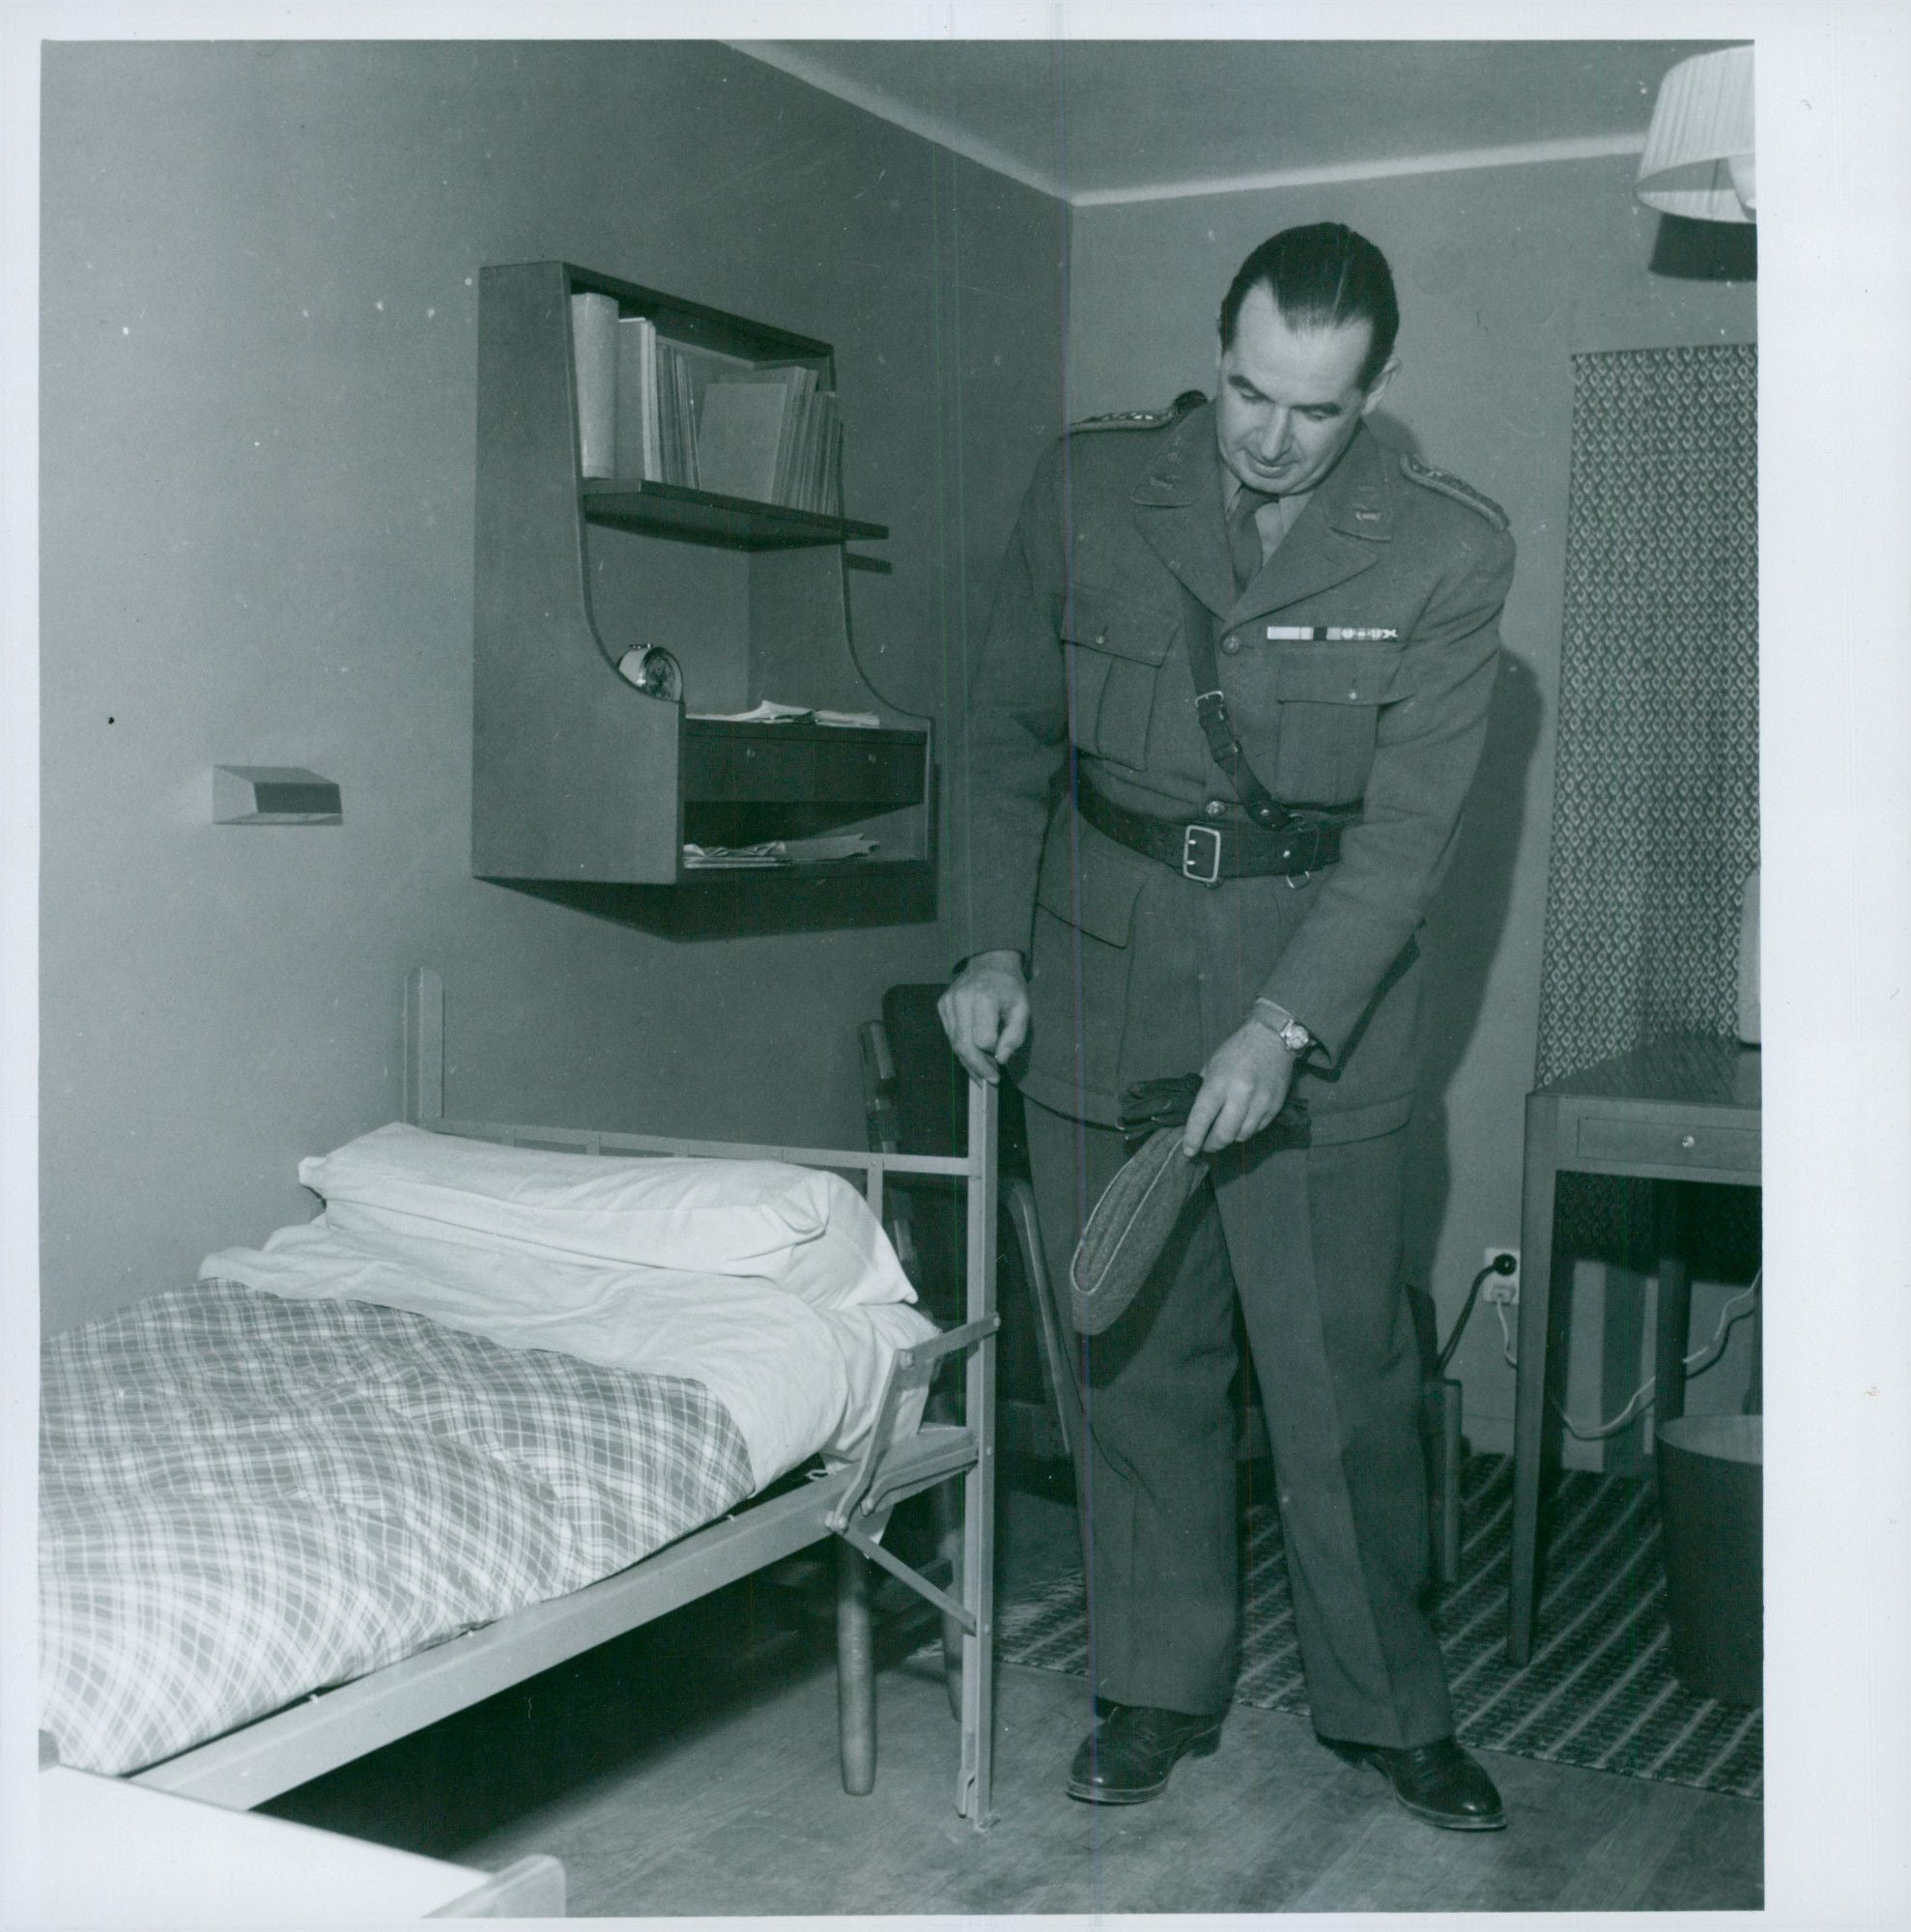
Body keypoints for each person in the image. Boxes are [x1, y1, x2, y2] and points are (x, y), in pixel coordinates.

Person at [940, 223, 1514, 1831]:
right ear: (1218, 355)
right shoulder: (1087, 489)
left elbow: (1405, 842)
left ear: (1373, 392)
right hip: (1102, 967)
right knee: (1134, 1356)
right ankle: (1152, 1686)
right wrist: (989, 944)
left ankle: (1387, 1708)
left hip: (1324, 993)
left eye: (1316, 410)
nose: (1270, 438)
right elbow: (1003, 738)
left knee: (1340, 1380)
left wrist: (1280, 1027)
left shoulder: (1444, 551)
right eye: (1251, 392)